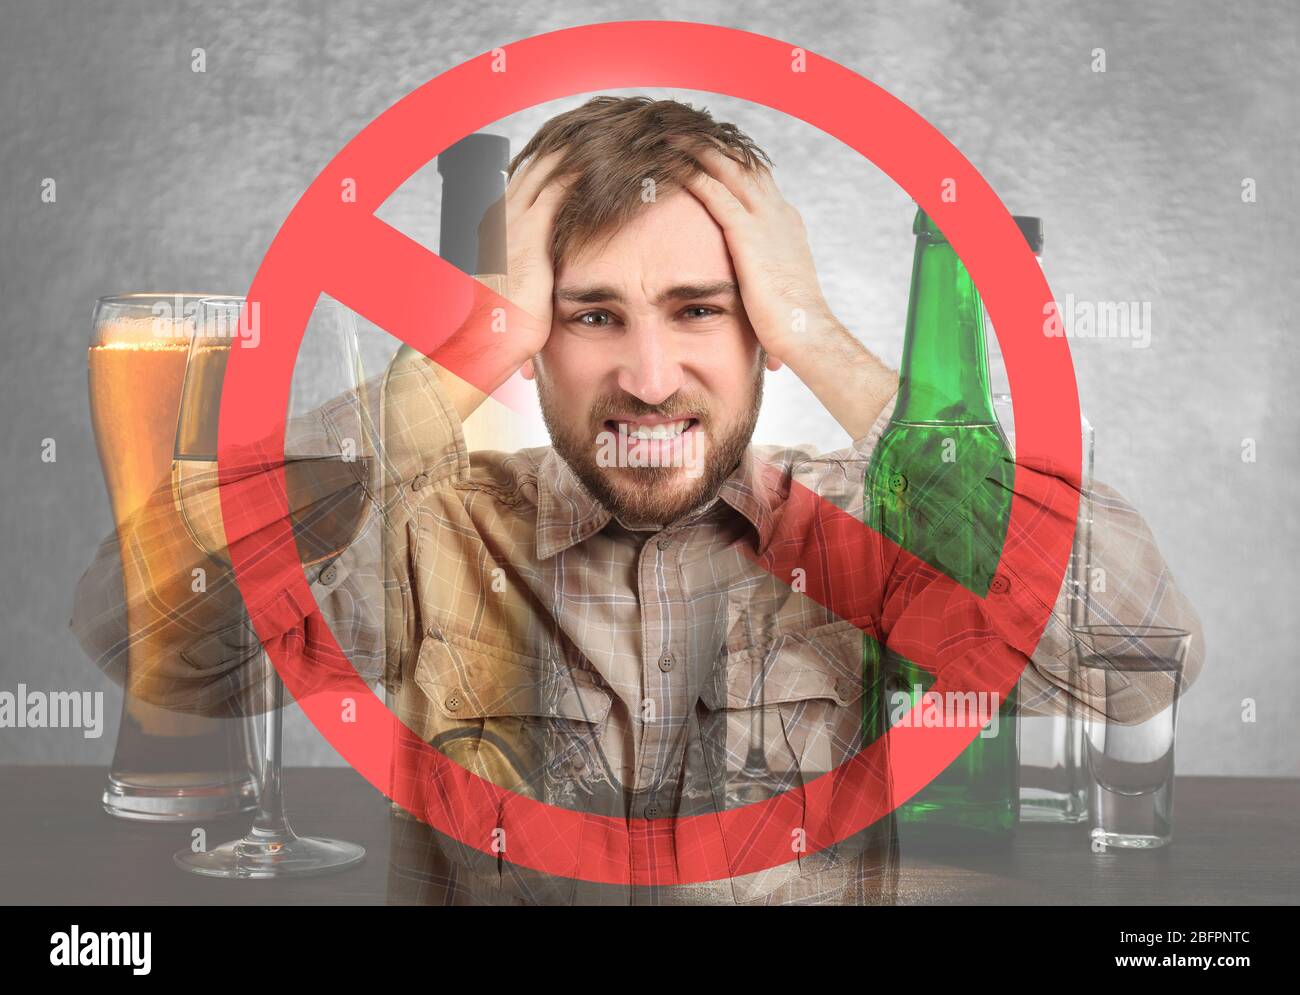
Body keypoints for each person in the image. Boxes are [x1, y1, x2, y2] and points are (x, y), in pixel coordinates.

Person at [72, 96, 1205, 905]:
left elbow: (1135, 659)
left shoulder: (868, 525)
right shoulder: (433, 527)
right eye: (593, 315)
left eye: (702, 310)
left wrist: (822, 340)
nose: (651, 377)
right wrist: (471, 346)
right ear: (533, 339)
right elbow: (161, 641)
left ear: (761, 329)